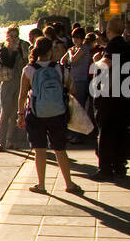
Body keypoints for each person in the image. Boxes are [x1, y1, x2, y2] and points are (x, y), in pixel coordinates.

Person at [16, 37, 82, 195]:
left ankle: (41, 185)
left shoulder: (28, 70)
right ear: (50, 51)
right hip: (58, 114)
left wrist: (20, 115)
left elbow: (22, 95)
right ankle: (69, 184)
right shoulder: (59, 68)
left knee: (39, 150)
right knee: (60, 149)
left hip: (36, 114)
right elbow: (73, 89)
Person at [92, 17, 130, 180]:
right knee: (120, 131)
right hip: (124, 95)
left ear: (109, 31)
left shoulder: (113, 45)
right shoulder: (127, 46)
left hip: (109, 95)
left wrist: (96, 61)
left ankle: (105, 169)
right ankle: (119, 165)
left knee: (106, 131)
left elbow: (106, 63)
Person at [0, 26, 27, 152]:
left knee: (15, 113)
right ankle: (1, 142)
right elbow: (9, 63)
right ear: (7, 36)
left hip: (19, 82)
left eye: (15, 36)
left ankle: (10, 141)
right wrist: (12, 50)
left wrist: (22, 51)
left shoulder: (21, 48)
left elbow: (25, 62)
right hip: (7, 83)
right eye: (11, 36)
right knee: (5, 113)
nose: (13, 39)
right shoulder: (4, 49)